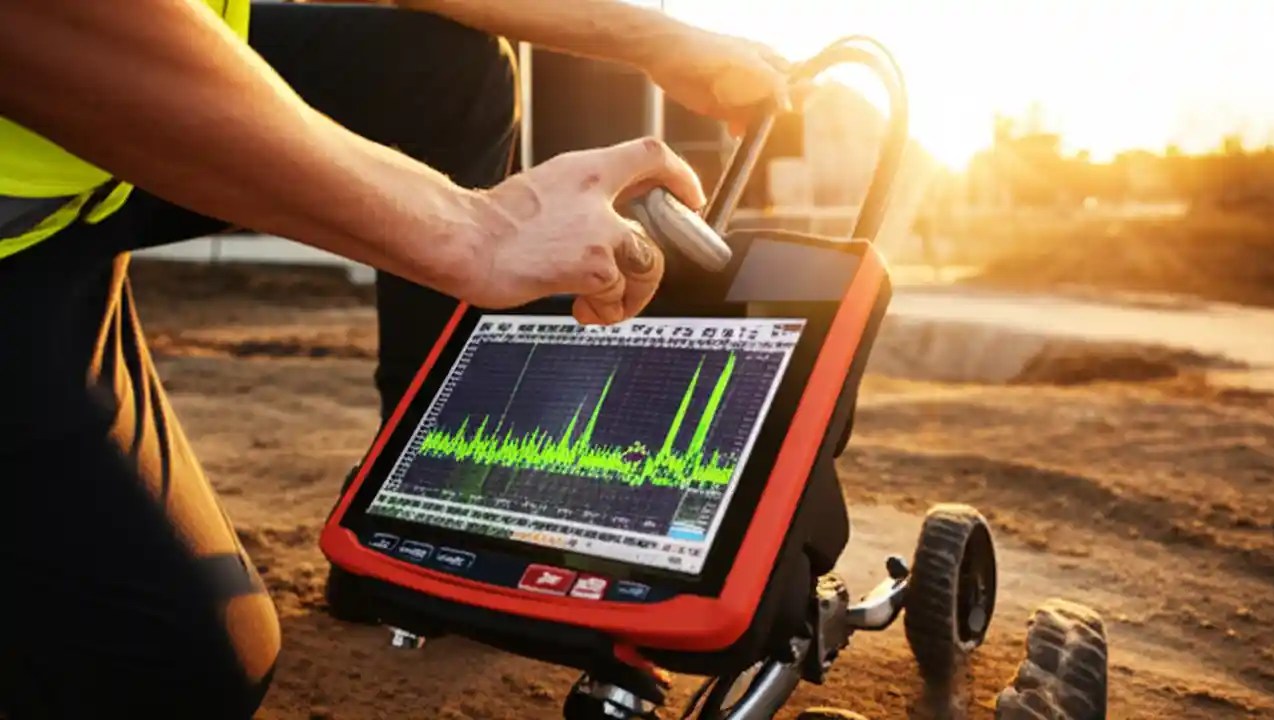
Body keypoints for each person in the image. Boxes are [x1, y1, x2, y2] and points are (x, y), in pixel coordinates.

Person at [0, 0, 794, 717]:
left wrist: (659, 41)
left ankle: (418, 519)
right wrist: (473, 232)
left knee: (441, 77)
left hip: (75, 192)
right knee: (167, 666)